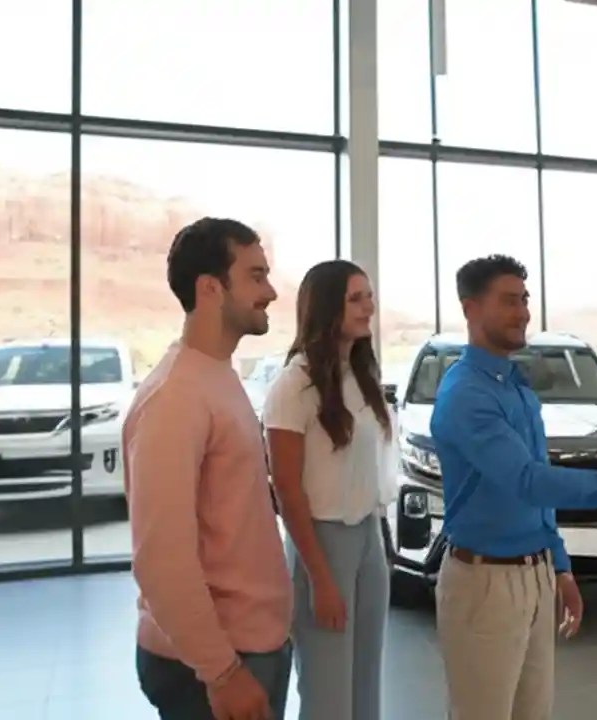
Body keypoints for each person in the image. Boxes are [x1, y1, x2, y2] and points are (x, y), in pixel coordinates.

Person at [430, 254, 597, 720]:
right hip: (485, 584)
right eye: (508, 301)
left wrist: (558, 565)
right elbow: (530, 481)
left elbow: (535, 489)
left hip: (532, 573)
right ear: (471, 308)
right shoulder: (466, 395)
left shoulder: (516, 387)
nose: (522, 313)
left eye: (525, 300)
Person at [125, 217, 294, 720]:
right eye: (256, 275)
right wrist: (221, 671)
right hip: (211, 666)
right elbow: (161, 560)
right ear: (210, 288)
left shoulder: (216, 376)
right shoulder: (175, 397)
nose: (271, 291)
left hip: (249, 647)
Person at [263, 260, 396, 720]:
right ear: (326, 308)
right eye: (356, 298)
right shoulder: (293, 385)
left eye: (369, 296)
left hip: (367, 538)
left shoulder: (360, 374)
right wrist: (320, 578)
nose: (369, 307)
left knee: (366, 684)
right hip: (321, 542)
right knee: (328, 695)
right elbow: (286, 488)